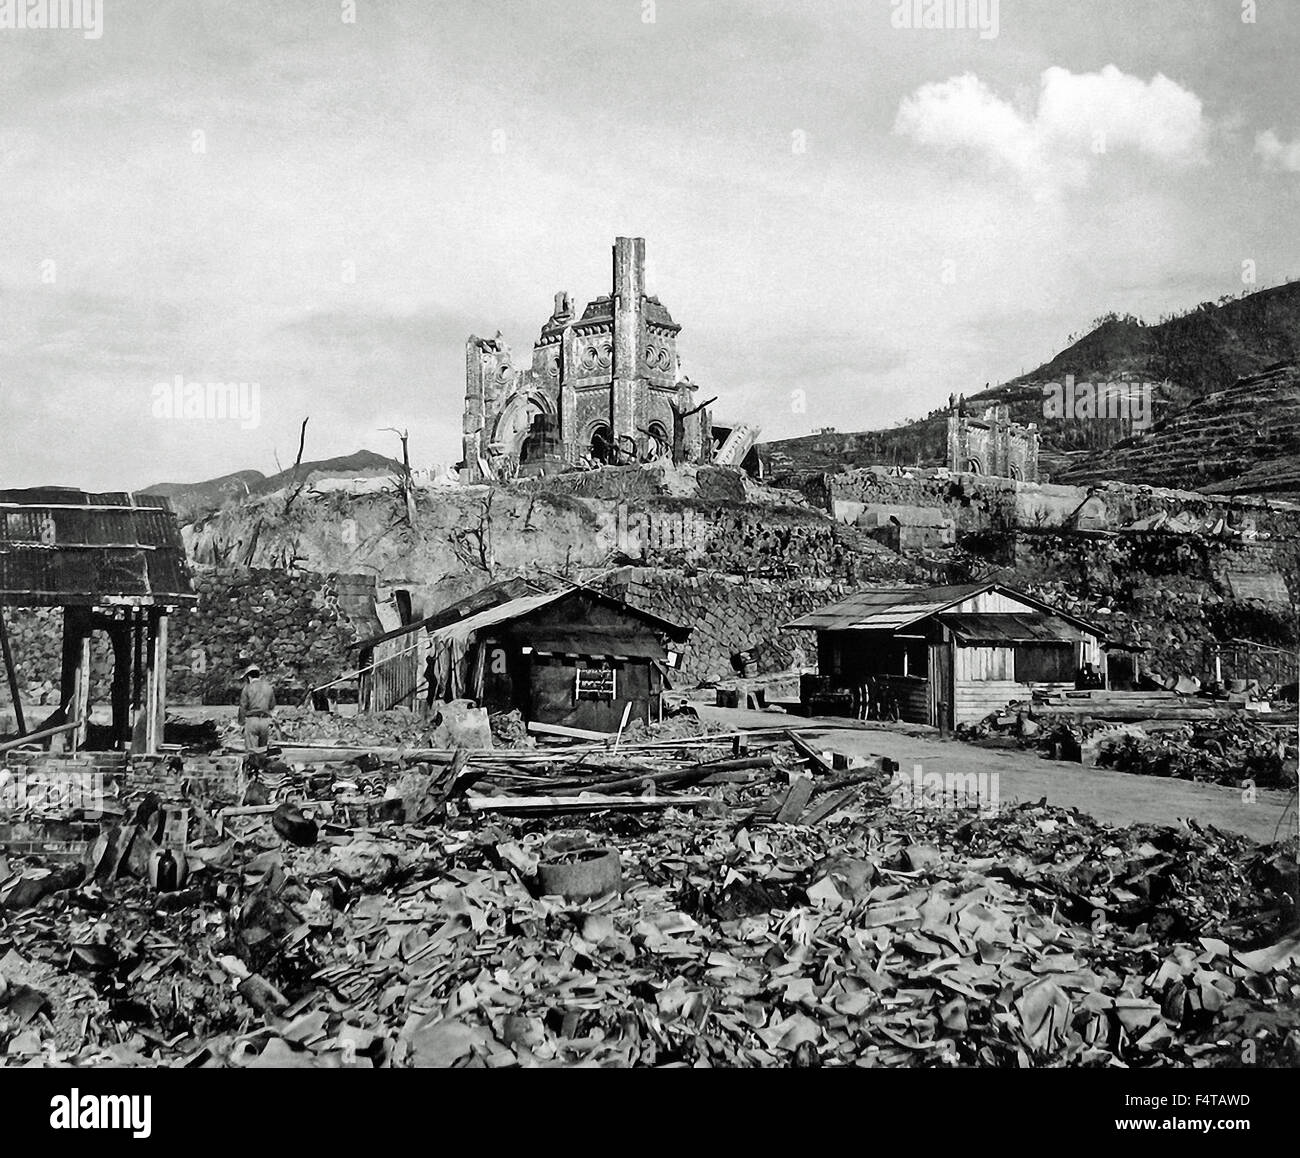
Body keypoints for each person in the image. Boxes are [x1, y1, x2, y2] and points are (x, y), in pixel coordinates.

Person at [238, 663, 276, 751]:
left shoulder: (247, 688)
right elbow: (272, 705)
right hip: (265, 721)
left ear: (248, 677)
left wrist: (241, 722)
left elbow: (243, 706)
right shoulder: (268, 687)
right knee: (263, 750)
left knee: (252, 751)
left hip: (252, 720)